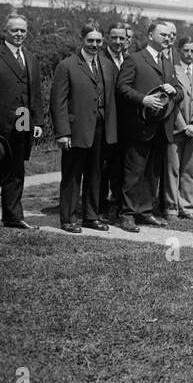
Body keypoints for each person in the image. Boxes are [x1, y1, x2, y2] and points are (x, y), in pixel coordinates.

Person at [0, 13, 44, 230]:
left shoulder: (31, 58)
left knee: (16, 170)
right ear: (6, 31)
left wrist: (38, 121)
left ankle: (14, 216)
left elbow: (36, 93)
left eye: (23, 30)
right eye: (15, 30)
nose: (19, 34)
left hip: (22, 123)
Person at [115, 20, 184, 232]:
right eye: (162, 34)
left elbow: (180, 92)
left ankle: (144, 212)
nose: (167, 38)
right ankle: (126, 214)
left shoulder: (168, 63)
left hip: (161, 128)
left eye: (168, 35)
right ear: (150, 35)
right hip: (139, 127)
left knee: (152, 173)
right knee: (134, 172)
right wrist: (143, 99)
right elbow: (122, 88)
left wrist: (173, 91)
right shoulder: (134, 59)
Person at [50, 24, 118, 233]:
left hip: (100, 130)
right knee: (72, 176)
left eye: (98, 41)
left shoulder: (106, 65)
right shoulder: (67, 65)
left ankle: (91, 216)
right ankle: (68, 219)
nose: (95, 45)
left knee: (95, 175)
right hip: (76, 129)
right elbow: (58, 102)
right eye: (91, 41)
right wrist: (63, 132)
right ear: (82, 40)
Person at [166, 36, 193, 220]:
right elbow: (170, 102)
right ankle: (171, 207)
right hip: (177, 128)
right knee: (173, 168)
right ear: (179, 50)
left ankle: (187, 206)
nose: (190, 54)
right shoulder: (172, 71)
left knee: (190, 169)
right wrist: (183, 125)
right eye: (186, 50)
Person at [98, 22, 131, 222]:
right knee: (102, 168)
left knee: (120, 168)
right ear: (107, 38)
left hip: (125, 125)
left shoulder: (129, 59)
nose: (118, 42)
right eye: (114, 38)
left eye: (122, 38)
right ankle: (99, 207)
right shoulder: (100, 59)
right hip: (104, 123)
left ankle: (117, 205)